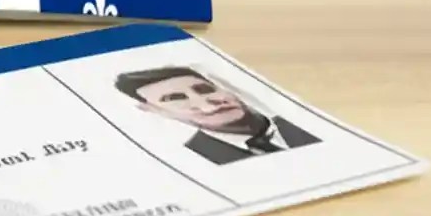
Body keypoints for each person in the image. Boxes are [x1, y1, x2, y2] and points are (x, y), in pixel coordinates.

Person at [114, 66, 319, 165]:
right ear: (154, 110)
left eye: (205, 89)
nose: (205, 103)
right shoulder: (193, 159)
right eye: (175, 99)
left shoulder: (303, 123)